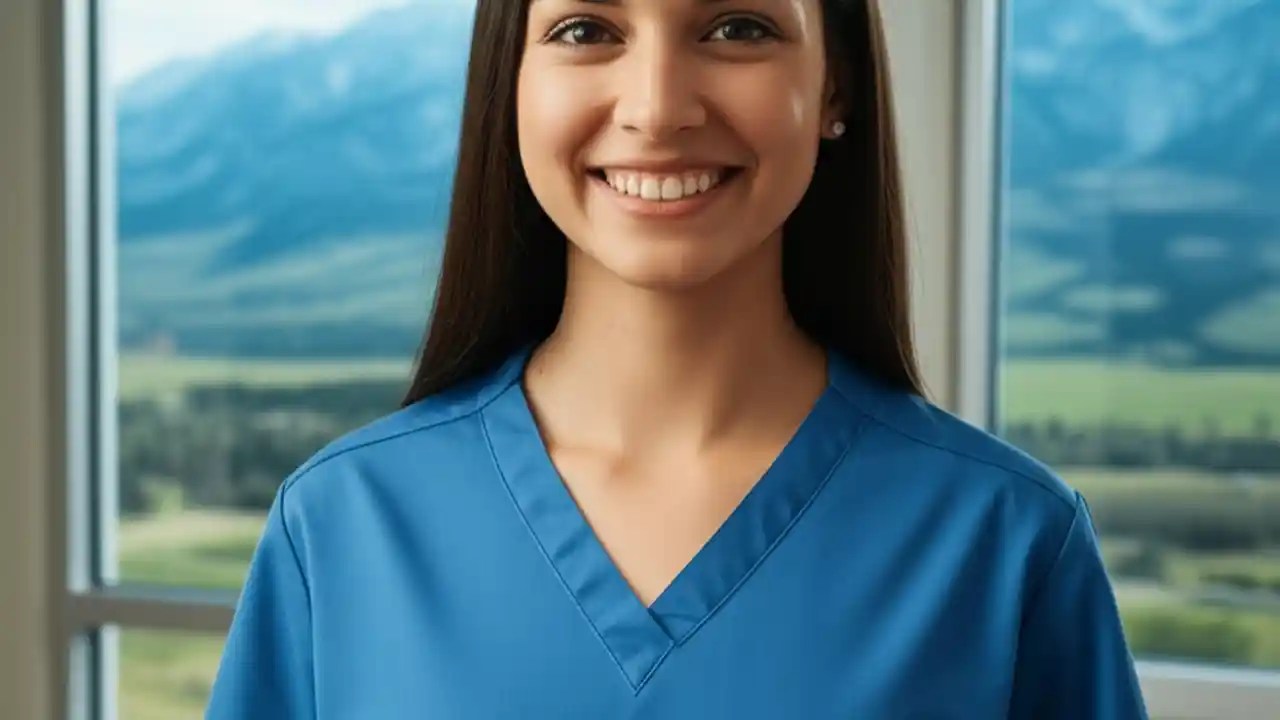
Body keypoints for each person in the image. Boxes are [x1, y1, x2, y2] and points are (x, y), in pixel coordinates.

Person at [206, 0, 1150, 717]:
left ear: (836, 87)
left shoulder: (1007, 544)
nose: (657, 110)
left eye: (737, 27)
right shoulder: (340, 529)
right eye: (586, 31)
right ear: (509, 84)